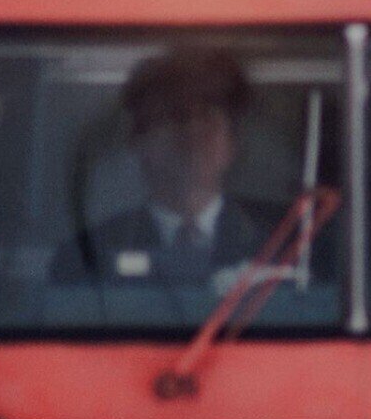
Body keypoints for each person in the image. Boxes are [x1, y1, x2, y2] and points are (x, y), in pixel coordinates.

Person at [50, 46, 284, 285]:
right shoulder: (85, 257)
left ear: (232, 143)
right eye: (174, 118)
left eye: (207, 117)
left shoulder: (290, 248)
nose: (191, 134)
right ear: (138, 140)